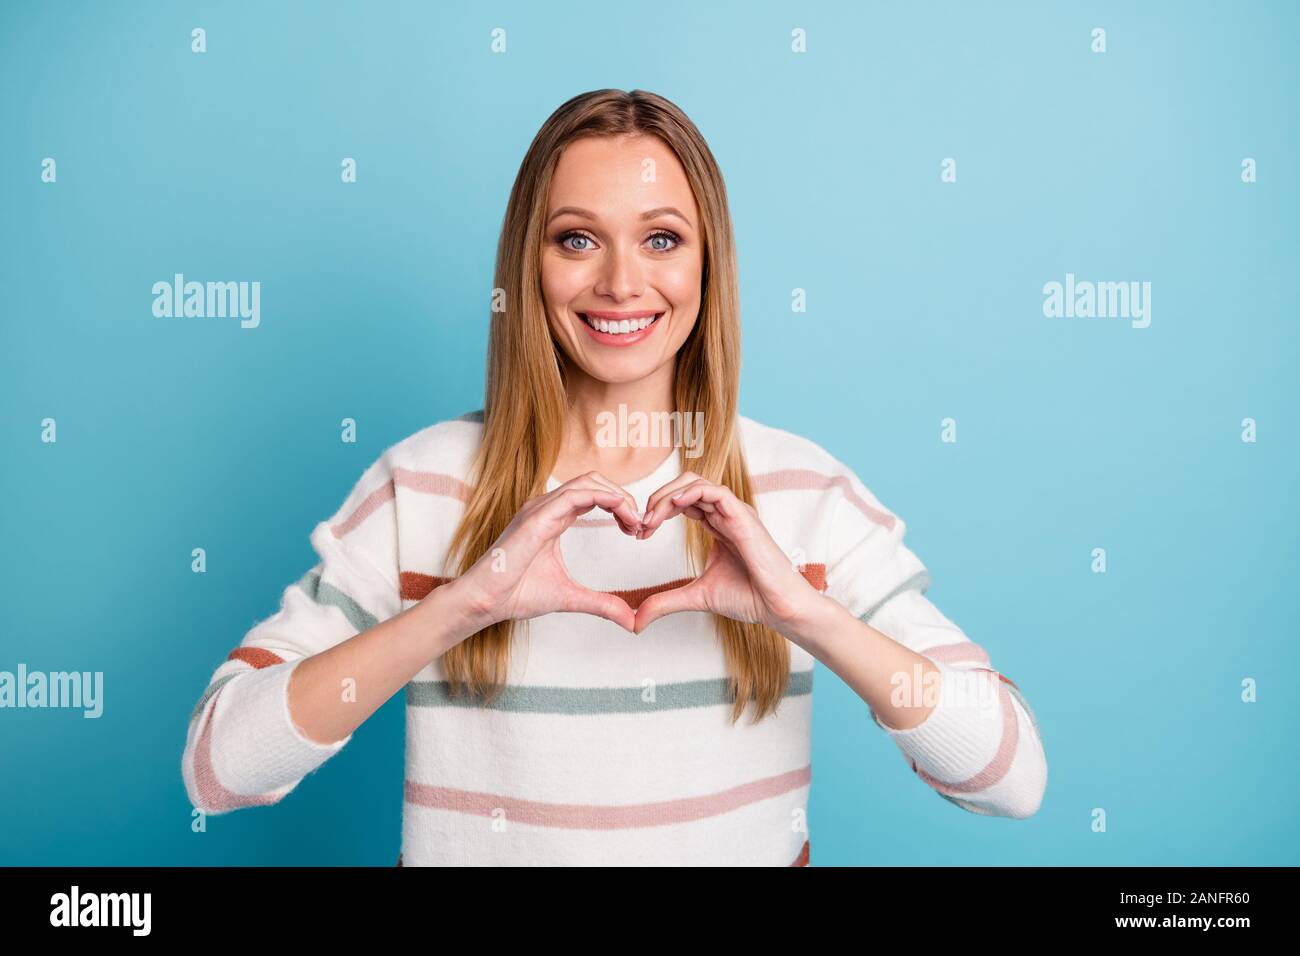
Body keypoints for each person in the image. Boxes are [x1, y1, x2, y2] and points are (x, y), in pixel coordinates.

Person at [181, 88, 1047, 866]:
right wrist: (459, 606)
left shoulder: (804, 493)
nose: (621, 282)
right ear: (532, 263)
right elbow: (217, 768)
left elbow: (1011, 777)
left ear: (708, 267)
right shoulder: (424, 484)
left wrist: (805, 615)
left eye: (662, 239)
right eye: (577, 239)